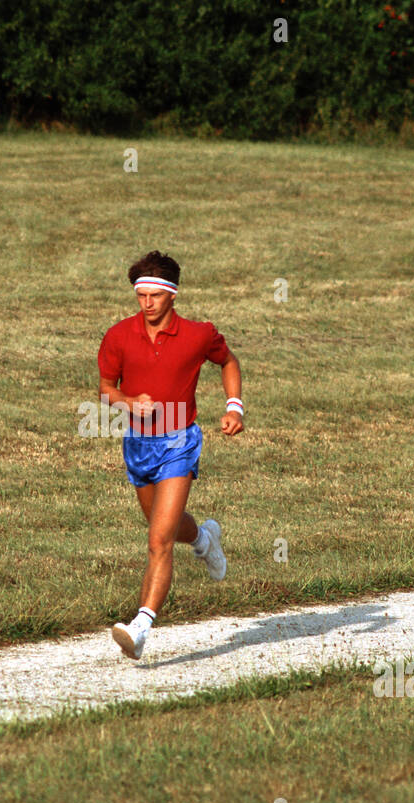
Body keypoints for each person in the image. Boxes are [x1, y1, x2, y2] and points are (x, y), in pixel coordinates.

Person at [96, 251, 244, 660]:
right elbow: (107, 387)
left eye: (154, 296)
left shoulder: (199, 335)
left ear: (172, 296)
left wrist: (235, 406)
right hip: (138, 445)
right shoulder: (118, 335)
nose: (145, 303)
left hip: (180, 441)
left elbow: (227, 361)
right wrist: (126, 400)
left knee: (158, 540)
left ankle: (140, 627)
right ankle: (203, 537)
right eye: (140, 295)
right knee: (167, 526)